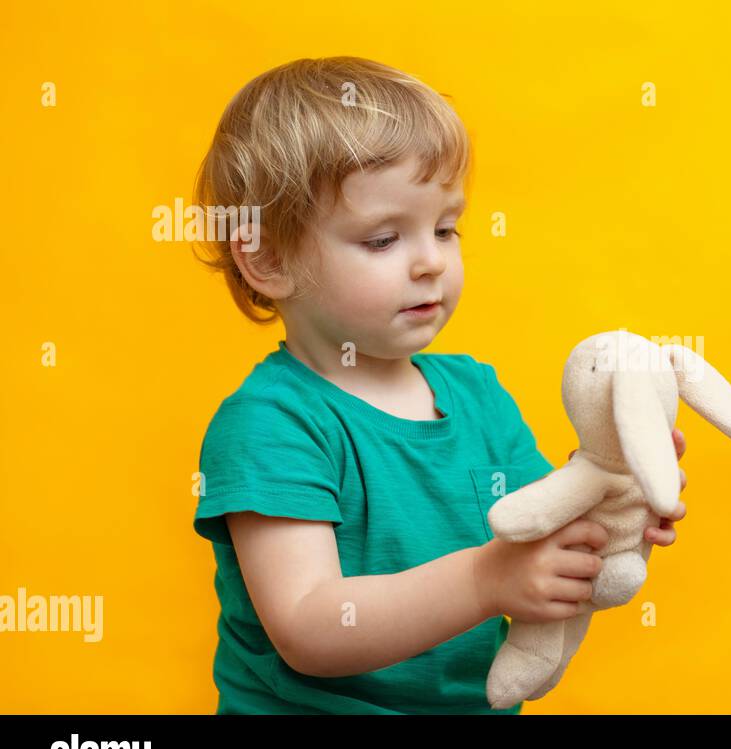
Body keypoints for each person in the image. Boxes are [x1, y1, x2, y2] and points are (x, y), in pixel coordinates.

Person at [190, 56, 686, 713]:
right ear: (269, 259)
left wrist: (608, 493)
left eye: (446, 229)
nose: (431, 262)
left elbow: (536, 534)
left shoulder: (478, 393)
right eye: (384, 238)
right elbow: (311, 626)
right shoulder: (272, 423)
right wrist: (487, 581)